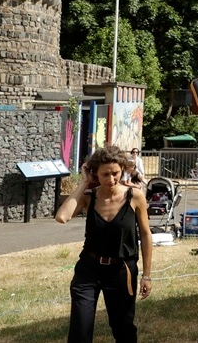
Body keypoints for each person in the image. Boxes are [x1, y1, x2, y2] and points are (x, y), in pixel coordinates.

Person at [55, 145, 154, 343]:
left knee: (123, 328)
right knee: (80, 330)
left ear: (123, 170)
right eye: (105, 174)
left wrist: (147, 275)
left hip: (121, 270)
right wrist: (85, 183)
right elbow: (62, 216)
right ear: (96, 174)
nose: (111, 179)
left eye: (115, 173)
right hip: (88, 269)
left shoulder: (134, 197)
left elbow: (145, 234)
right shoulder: (89, 197)